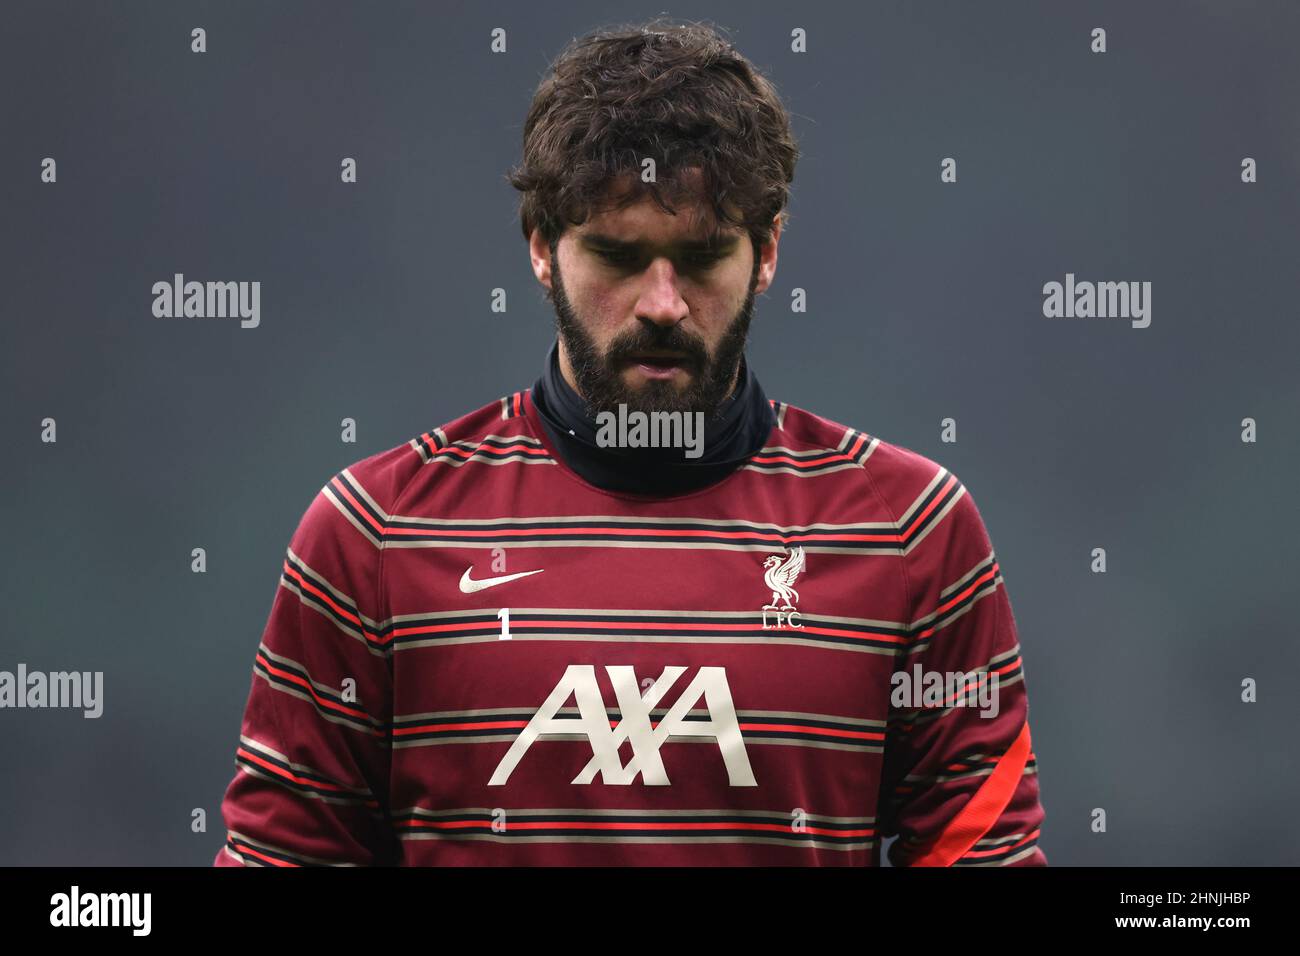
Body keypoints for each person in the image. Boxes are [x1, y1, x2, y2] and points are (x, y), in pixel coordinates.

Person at [214, 18, 1046, 867]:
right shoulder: (374, 533)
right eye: (617, 256)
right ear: (542, 249)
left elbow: (982, 856)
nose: (661, 303)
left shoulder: (913, 532)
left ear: (767, 253)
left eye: (701, 257)